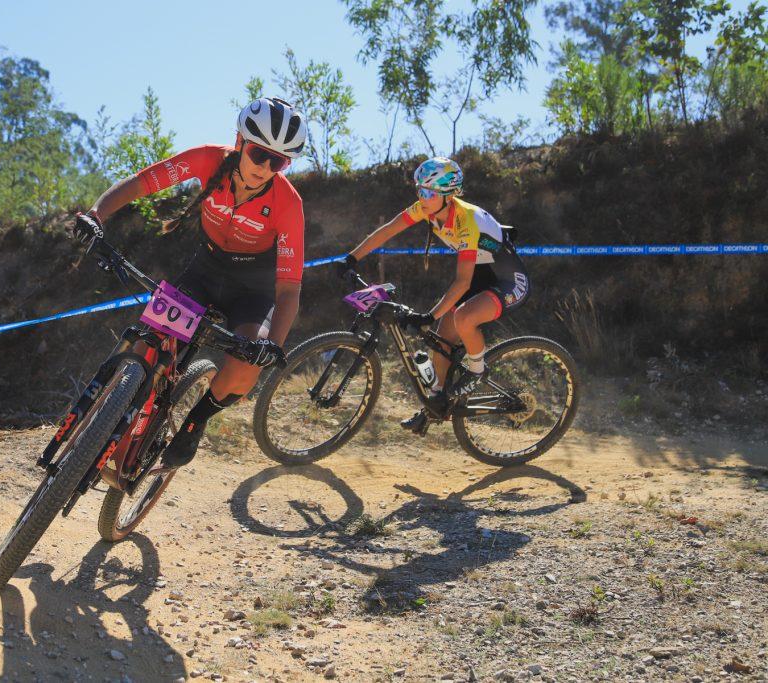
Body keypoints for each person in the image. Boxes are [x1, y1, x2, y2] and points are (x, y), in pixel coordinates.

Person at [76, 97, 307, 466]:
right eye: (259, 153)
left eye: (277, 161)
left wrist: (274, 347)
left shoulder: (288, 204)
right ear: (239, 141)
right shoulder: (206, 159)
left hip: (252, 290)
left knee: (251, 359)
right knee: (145, 346)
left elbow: (289, 289)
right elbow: (141, 183)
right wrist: (96, 216)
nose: (265, 167)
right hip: (205, 271)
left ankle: (195, 422)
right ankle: (119, 415)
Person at [338, 156, 529, 433]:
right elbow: (388, 230)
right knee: (442, 339)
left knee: (463, 318)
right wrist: (351, 258)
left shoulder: (467, 220)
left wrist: (428, 315)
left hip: (509, 280)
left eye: (427, 192)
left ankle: (478, 369)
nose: (421, 197)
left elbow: (462, 282)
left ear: (447, 195)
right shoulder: (427, 209)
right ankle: (436, 403)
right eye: (419, 190)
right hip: (481, 277)